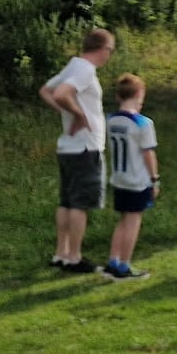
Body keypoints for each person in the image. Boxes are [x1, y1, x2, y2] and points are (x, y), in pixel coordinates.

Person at [40, 27, 115, 273]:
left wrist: (66, 112)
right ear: (103, 49)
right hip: (85, 147)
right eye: (110, 51)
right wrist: (79, 115)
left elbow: (46, 90)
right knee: (79, 204)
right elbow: (62, 94)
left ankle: (61, 253)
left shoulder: (73, 65)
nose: (109, 56)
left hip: (68, 147)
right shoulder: (85, 69)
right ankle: (74, 257)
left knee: (66, 201)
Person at [103, 73, 158, 280]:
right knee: (133, 222)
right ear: (139, 94)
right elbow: (148, 153)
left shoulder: (110, 119)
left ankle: (113, 261)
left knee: (123, 220)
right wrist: (154, 179)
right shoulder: (143, 122)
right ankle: (124, 265)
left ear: (118, 95)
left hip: (119, 177)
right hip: (137, 180)